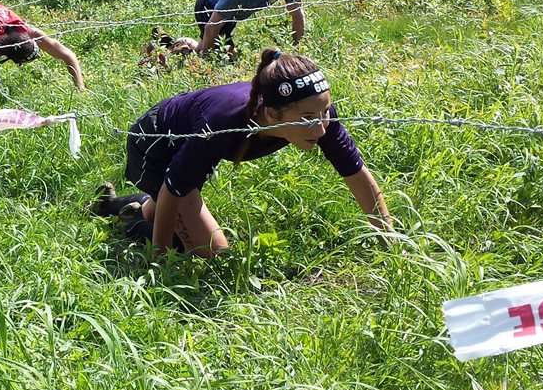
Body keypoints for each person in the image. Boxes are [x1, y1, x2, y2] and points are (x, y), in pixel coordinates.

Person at [92, 48, 390, 258]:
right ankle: (135, 230)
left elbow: (357, 176)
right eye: (311, 118)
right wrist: (161, 258)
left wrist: (390, 241)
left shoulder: (316, 113)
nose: (322, 127)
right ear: (272, 114)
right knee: (213, 253)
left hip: (189, 149)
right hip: (156, 140)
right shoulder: (225, 124)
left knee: (171, 214)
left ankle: (117, 208)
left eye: (325, 112)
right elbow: (173, 188)